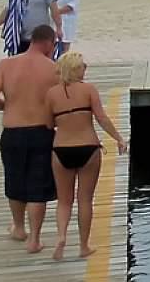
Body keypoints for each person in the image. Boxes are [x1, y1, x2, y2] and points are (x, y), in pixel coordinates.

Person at [0, 24, 61, 252]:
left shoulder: (6, 64)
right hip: (41, 131)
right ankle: (35, 238)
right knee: (38, 184)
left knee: (15, 180)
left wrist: (7, 106)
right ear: (48, 43)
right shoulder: (53, 69)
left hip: (13, 131)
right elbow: (60, 101)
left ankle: (18, 227)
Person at [44, 52, 122, 261]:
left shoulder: (51, 94)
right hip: (88, 147)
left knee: (64, 200)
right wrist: (119, 139)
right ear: (75, 69)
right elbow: (102, 118)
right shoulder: (88, 90)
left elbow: (48, 124)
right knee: (85, 199)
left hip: (61, 150)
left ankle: (61, 237)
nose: (85, 69)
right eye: (82, 67)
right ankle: (83, 245)